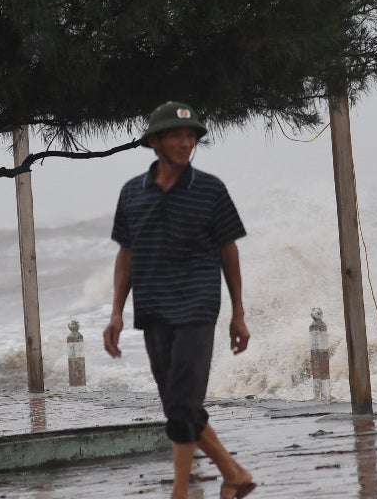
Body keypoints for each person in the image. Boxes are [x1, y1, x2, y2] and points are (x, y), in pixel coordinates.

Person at [104, 101, 257, 499]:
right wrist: (116, 313)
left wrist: (238, 314)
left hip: (197, 307)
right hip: (152, 309)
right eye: (176, 135)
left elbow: (229, 251)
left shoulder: (210, 189)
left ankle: (180, 491)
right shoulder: (131, 193)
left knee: (183, 402)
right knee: (178, 403)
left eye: (191, 136)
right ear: (155, 141)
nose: (185, 142)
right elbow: (127, 255)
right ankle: (233, 474)